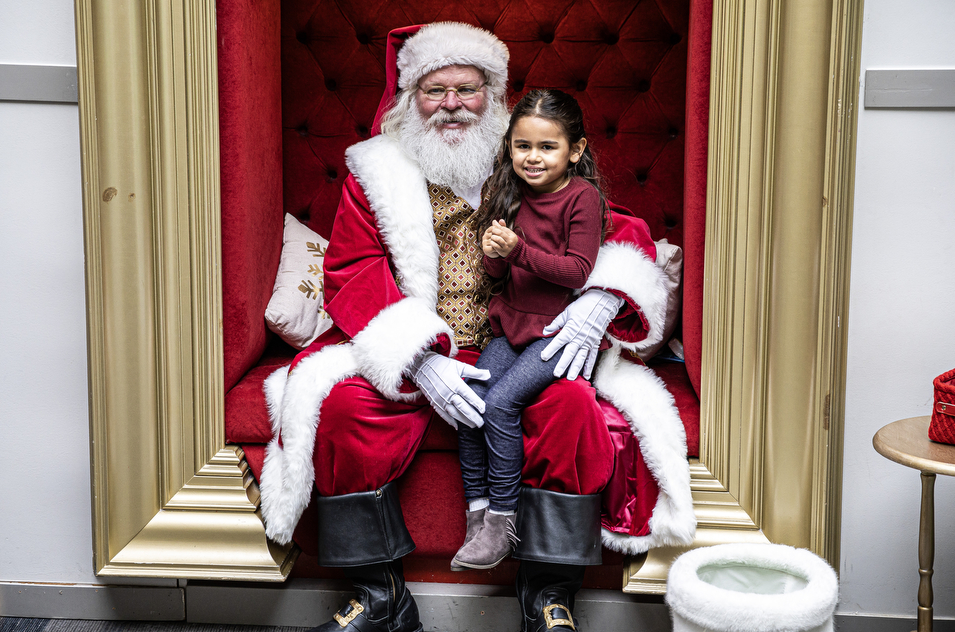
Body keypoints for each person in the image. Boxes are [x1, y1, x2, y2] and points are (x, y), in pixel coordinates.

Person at [260, 21, 696, 632]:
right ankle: (380, 597)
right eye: (434, 91)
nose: (452, 105)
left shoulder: (526, 153)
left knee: (570, 404)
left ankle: (548, 595)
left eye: (467, 88)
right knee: (345, 408)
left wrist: (603, 296)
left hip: (518, 337)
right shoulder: (376, 171)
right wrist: (418, 358)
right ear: (410, 98)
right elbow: (353, 268)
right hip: (421, 335)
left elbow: (615, 226)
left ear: (493, 92)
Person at [451, 89, 610, 572]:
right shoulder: (507, 191)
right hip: (510, 327)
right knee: (470, 399)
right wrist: (495, 256)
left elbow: (577, 272)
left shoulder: (582, 198)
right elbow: (498, 278)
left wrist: (516, 249)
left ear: (575, 151)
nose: (533, 158)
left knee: (501, 404)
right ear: (510, 147)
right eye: (523, 146)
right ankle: (477, 511)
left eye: (547, 147)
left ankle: (504, 517)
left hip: (555, 333)